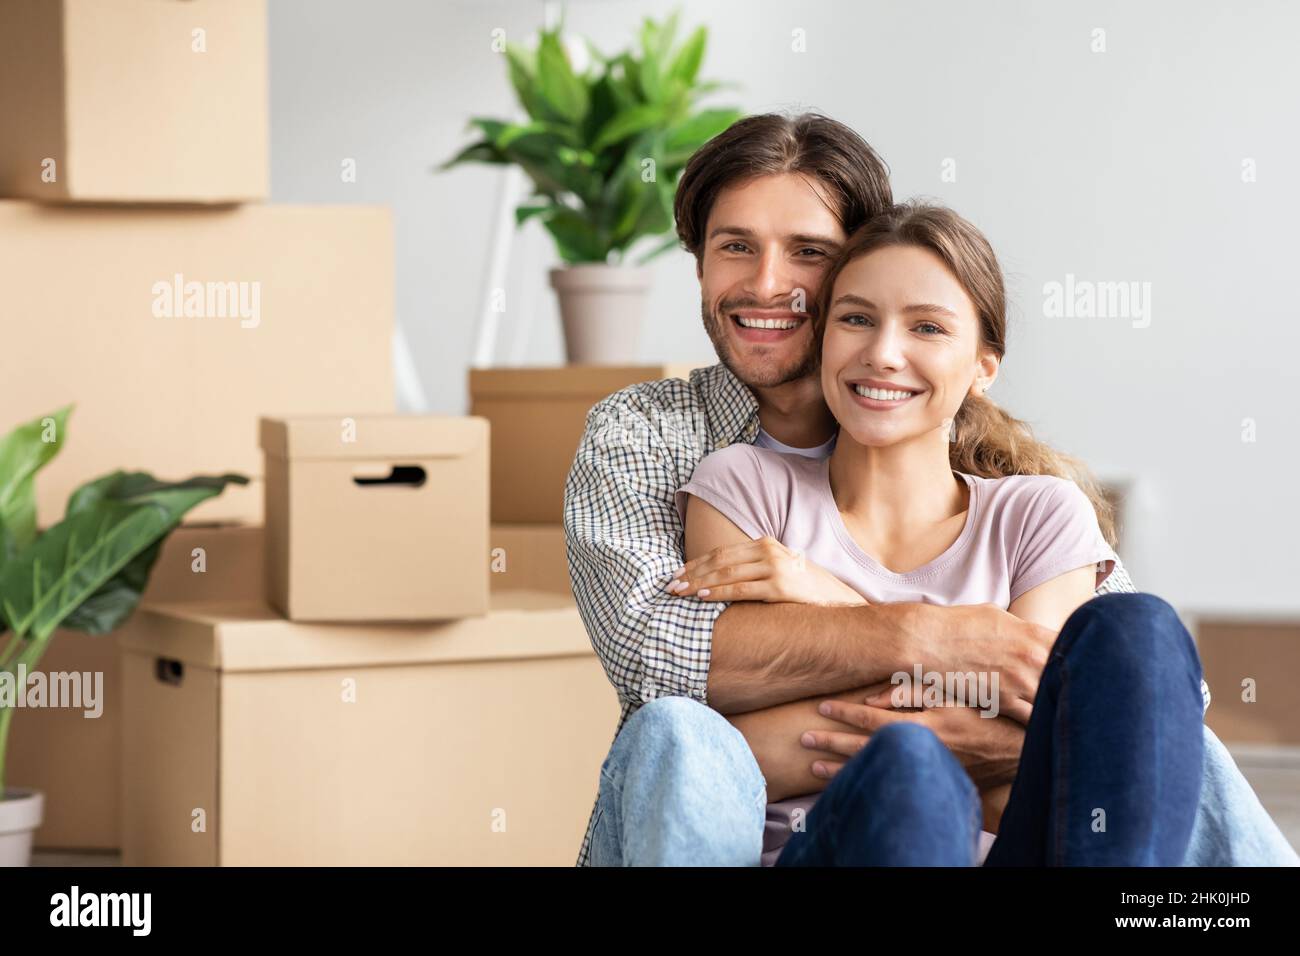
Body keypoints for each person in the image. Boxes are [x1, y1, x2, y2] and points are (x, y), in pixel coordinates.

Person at [563, 112, 1298, 867]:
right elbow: (666, 670)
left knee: (1156, 685)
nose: (767, 283)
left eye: (808, 252)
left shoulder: (1024, 494)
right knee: (792, 752)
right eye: (735, 246)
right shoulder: (671, 446)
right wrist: (940, 642)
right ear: (699, 262)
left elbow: (1134, 702)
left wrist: (828, 604)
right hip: (787, 827)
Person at [671, 202, 1202, 864]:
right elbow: (723, 743)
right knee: (910, 767)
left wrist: (831, 605)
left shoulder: (1038, 515)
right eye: (856, 319)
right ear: (824, 338)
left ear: (984, 365)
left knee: (1139, 629)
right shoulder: (745, 487)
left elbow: (1063, 748)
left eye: (926, 327)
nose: (884, 354)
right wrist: (963, 719)